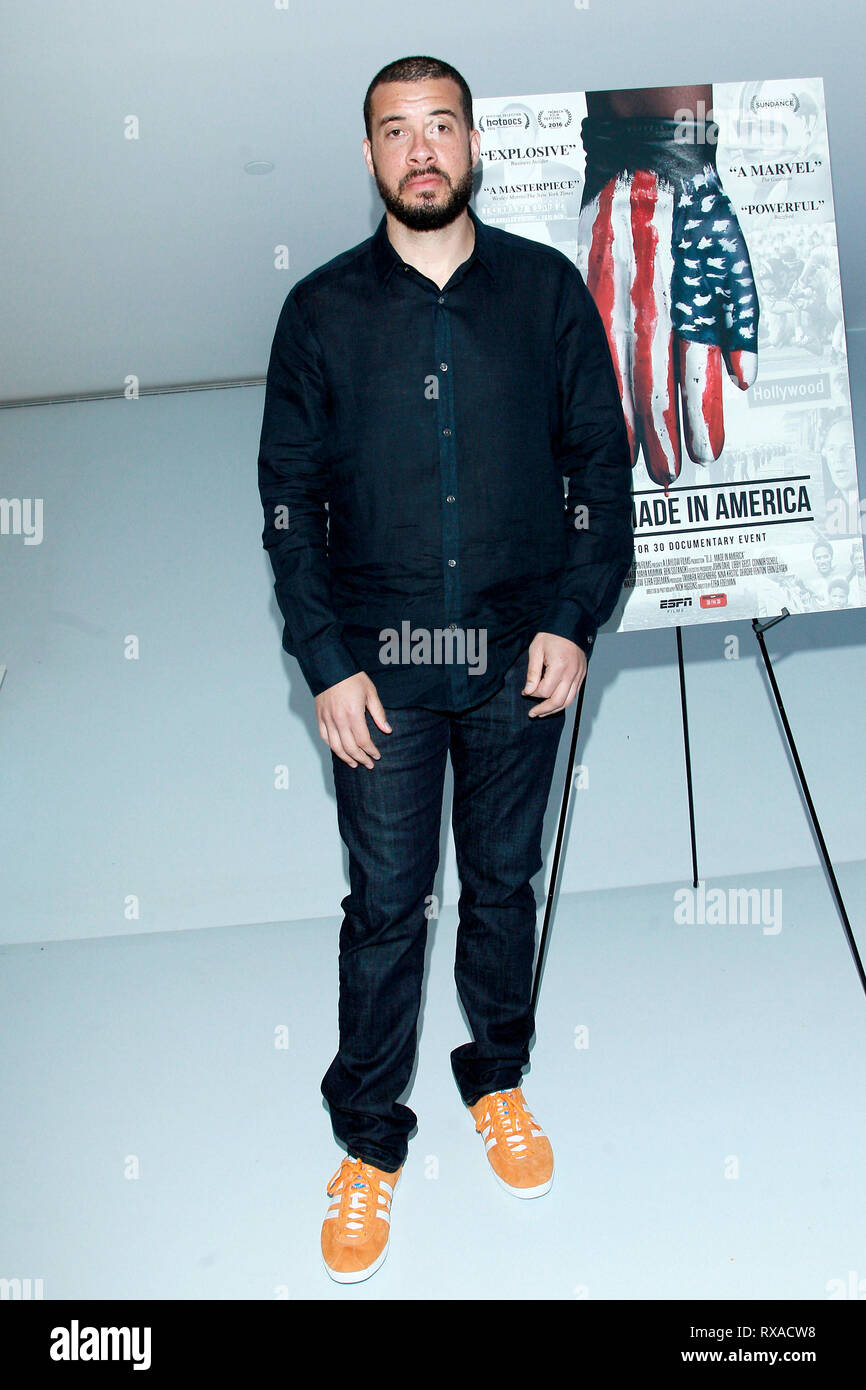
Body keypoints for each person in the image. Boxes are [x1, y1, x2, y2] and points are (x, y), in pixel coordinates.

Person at [257, 54, 634, 1284]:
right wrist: (322, 659)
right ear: (367, 156)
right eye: (393, 131)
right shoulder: (318, 313)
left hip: (523, 658)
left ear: (472, 143)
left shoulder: (544, 294)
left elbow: (599, 473)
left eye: (440, 127)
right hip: (381, 669)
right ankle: (369, 1144)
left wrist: (575, 619)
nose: (420, 150)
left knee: (504, 884)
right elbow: (287, 505)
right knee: (384, 906)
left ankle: (498, 1080)